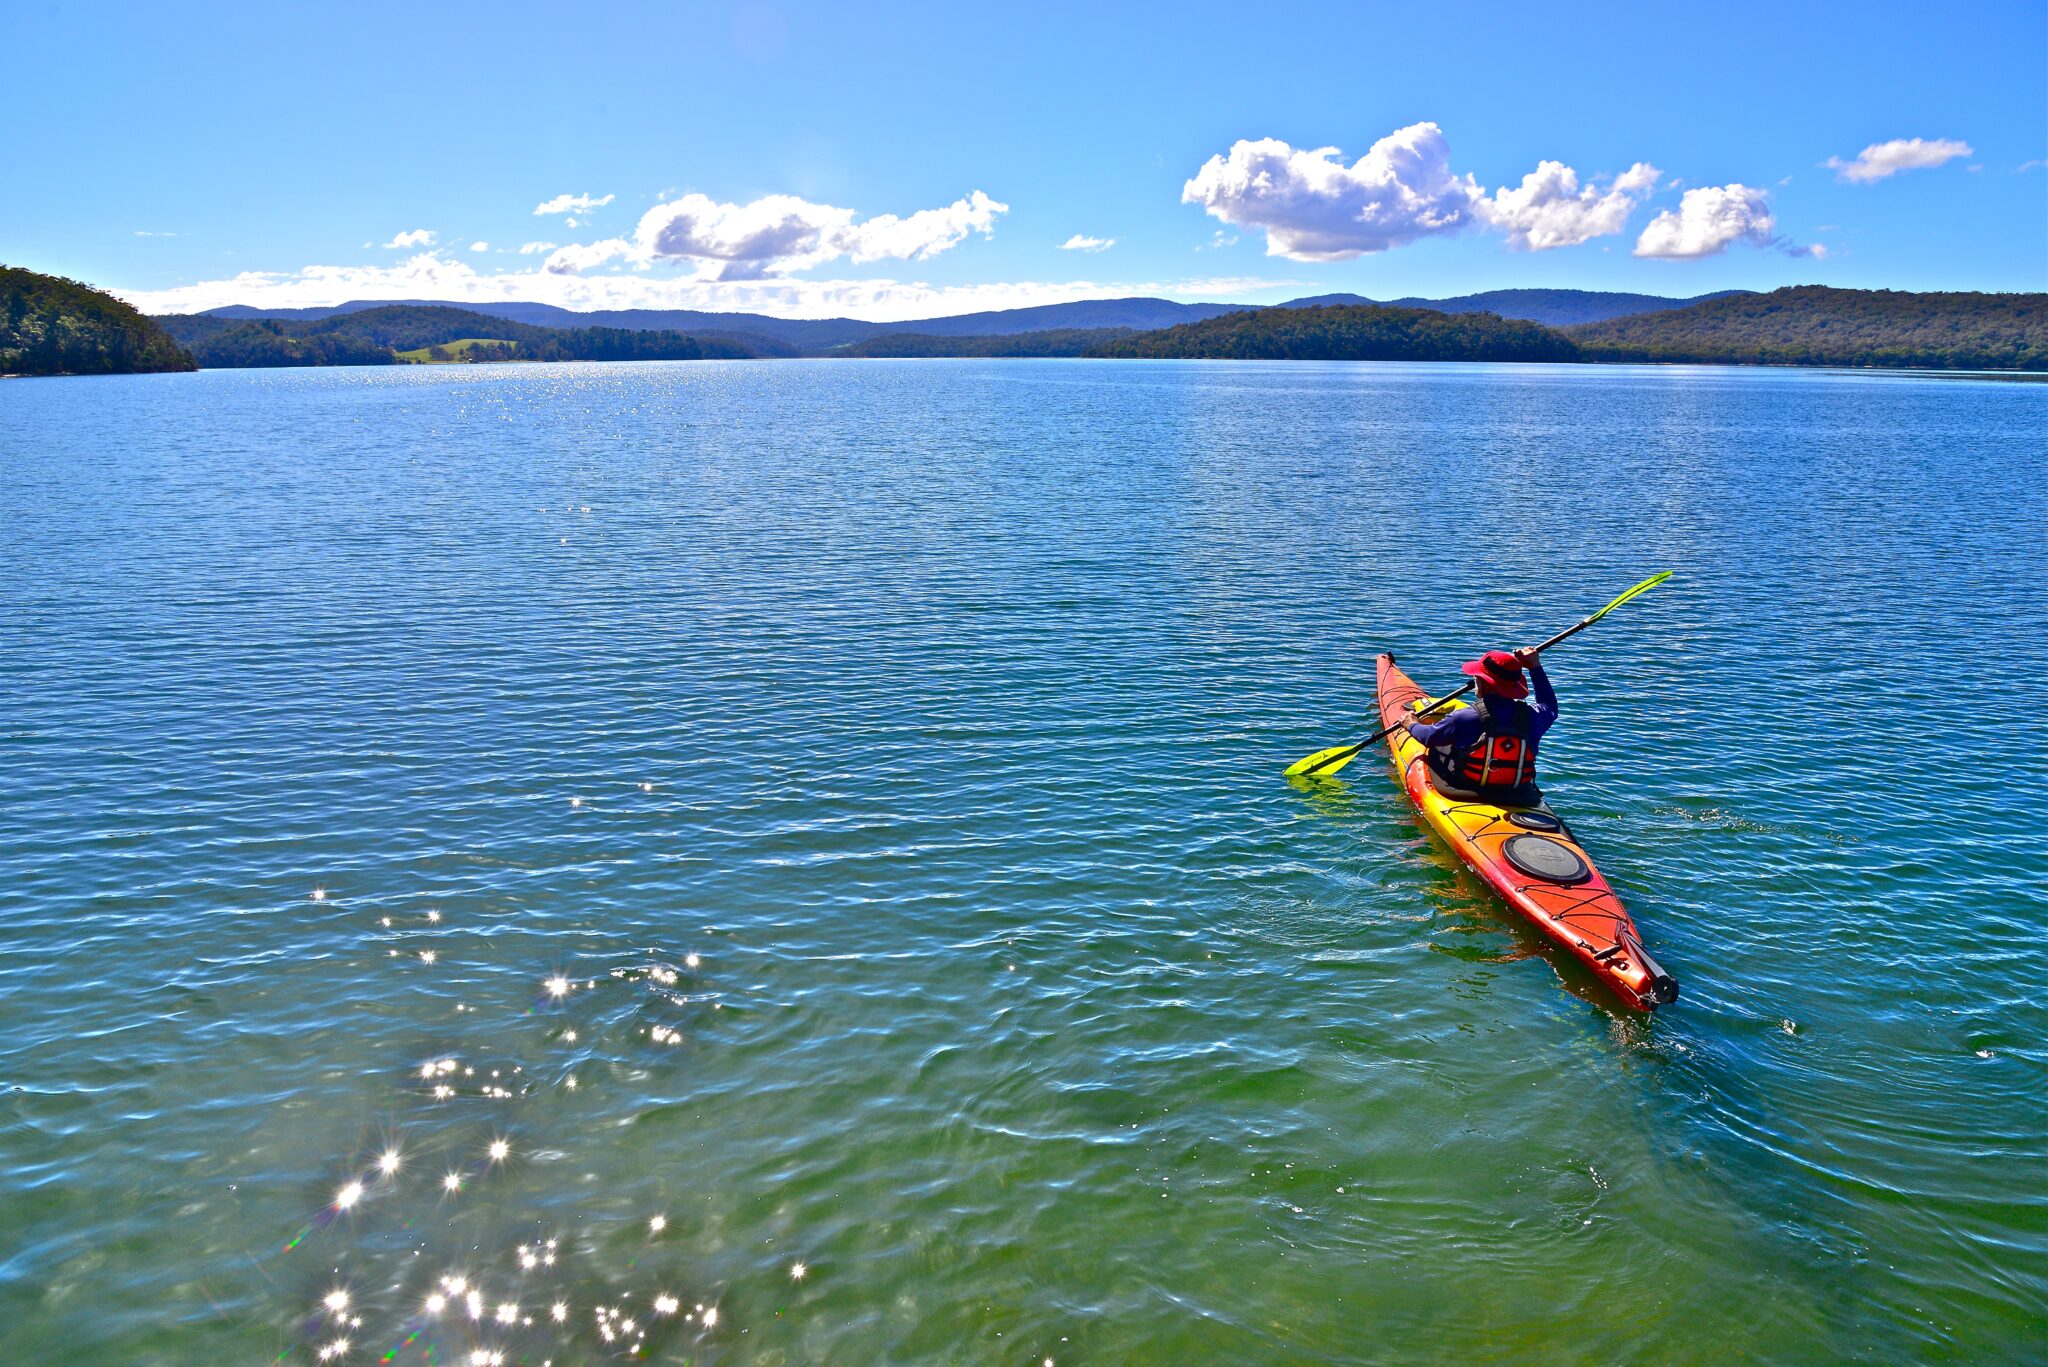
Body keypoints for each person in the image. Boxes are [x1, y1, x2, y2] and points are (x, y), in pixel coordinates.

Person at [1400, 648, 1556, 804]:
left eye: (1476, 677)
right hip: (1517, 791)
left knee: (1439, 747)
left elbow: (1427, 737)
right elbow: (1550, 707)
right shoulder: (1534, 716)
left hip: (1469, 787)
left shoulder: (1464, 717)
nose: (1474, 680)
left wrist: (1411, 724)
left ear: (1485, 685)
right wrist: (1535, 666)